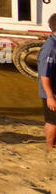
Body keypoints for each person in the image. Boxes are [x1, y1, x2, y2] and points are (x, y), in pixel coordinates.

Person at [39, 14, 56, 150]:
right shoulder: (50, 48)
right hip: (52, 92)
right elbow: (44, 75)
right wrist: (50, 96)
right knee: (53, 121)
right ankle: (49, 147)